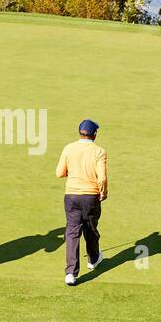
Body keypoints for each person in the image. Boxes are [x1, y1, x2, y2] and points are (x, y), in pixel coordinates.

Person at [55, 118, 107, 286]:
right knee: (90, 229)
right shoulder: (99, 151)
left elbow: (59, 172)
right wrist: (103, 193)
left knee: (72, 232)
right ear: (95, 134)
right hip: (91, 196)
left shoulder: (69, 148)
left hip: (71, 196)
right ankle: (93, 259)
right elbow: (102, 178)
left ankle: (71, 273)